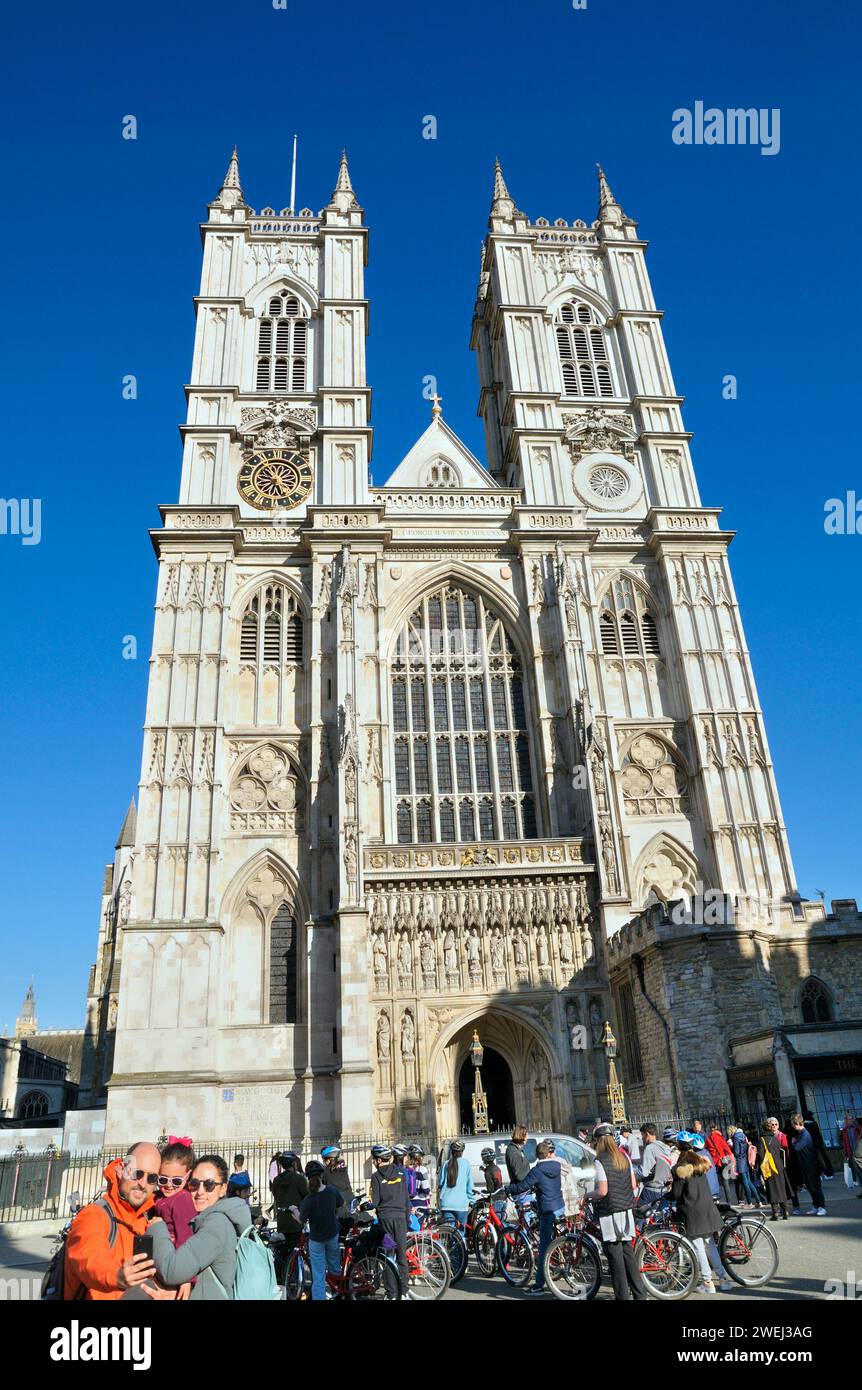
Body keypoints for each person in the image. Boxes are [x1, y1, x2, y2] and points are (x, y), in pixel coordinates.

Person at [64, 1143, 160, 1301]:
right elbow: (89, 1258)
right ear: (121, 1169)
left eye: (151, 1178)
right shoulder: (94, 1215)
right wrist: (117, 1275)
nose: (142, 1184)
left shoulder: (150, 1218)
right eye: (137, 1173)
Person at [150, 1154, 251, 1299]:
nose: (200, 1191)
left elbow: (172, 1271)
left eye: (209, 1185)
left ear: (223, 1188)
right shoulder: (203, 1219)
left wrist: (157, 1227)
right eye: (194, 1184)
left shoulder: (216, 1225)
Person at [586, 1123, 647, 1301]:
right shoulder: (623, 1156)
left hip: (610, 1212)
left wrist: (587, 1195)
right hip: (626, 1209)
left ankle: (622, 1296)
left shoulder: (600, 1160)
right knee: (628, 1255)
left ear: (599, 1141)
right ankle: (640, 1295)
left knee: (615, 1258)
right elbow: (634, 1185)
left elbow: (602, 1191)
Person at [670, 1139, 733, 1294]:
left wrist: (665, 1195)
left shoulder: (680, 1169)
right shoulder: (701, 1165)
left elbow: (676, 1193)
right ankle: (723, 1279)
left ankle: (707, 1282)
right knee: (710, 1245)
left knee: (698, 1246)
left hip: (693, 1212)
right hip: (708, 1209)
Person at [506, 1139, 565, 1297]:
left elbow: (523, 1186)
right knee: (552, 1237)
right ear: (548, 1153)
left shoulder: (537, 1170)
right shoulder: (556, 1166)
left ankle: (539, 1285)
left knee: (544, 1248)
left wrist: (509, 1188)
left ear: (537, 1155)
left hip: (547, 1209)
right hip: (560, 1207)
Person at [299, 1160, 344, 1301]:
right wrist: (334, 1215)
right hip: (332, 1235)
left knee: (318, 1276)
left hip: (316, 1240)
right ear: (322, 1174)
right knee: (335, 1268)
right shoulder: (332, 1191)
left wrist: (294, 1211)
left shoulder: (309, 1199)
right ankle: (339, 1294)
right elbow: (342, 1205)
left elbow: (301, 1219)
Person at [370, 1144, 411, 1296]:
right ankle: (404, 1291)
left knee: (388, 1256)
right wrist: (406, 1219)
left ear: (379, 1160)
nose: (373, 1162)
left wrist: (364, 1207)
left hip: (385, 1220)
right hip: (401, 1219)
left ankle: (392, 1292)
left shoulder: (376, 1176)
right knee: (402, 1256)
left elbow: (375, 1201)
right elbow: (406, 1198)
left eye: (374, 1159)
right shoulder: (401, 1173)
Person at [269, 1151, 308, 1251]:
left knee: (283, 1251)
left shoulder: (277, 1180)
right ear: (294, 1163)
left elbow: (275, 1195)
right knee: (295, 1252)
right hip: (296, 1219)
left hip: (282, 1220)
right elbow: (307, 1195)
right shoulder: (299, 1178)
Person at [788, 1115, 826, 1214]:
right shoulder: (801, 1133)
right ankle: (816, 1205)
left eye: (792, 1124)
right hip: (805, 1164)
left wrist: (793, 1143)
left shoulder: (805, 1134)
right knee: (810, 1186)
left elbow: (797, 1147)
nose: (792, 1126)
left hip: (811, 1164)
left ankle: (822, 1207)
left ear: (796, 1123)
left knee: (815, 1186)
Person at [757, 1121, 790, 1220]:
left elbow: (761, 1155)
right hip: (779, 1166)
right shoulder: (775, 1138)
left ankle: (775, 1213)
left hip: (769, 1167)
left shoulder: (762, 1140)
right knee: (781, 1188)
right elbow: (782, 1151)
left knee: (772, 1189)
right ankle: (785, 1211)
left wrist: (760, 1169)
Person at [438, 1139, 474, 1228]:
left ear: (452, 1151)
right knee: (460, 1233)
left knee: (450, 1232)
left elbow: (441, 1183)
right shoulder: (466, 1163)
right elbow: (470, 1186)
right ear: (462, 1152)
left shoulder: (446, 1164)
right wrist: (471, 1200)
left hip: (446, 1204)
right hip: (461, 1205)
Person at [636, 1124, 675, 1205]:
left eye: (642, 1135)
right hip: (664, 1188)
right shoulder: (664, 1147)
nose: (642, 1138)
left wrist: (633, 1174)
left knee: (637, 1213)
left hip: (652, 1189)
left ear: (647, 1134)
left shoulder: (650, 1148)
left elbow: (643, 1172)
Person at [728, 1124, 761, 1207]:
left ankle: (749, 1202)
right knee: (749, 1182)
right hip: (745, 1160)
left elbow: (736, 1152)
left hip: (740, 1161)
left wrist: (731, 1146)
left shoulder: (735, 1137)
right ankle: (758, 1201)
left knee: (745, 1183)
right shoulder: (743, 1135)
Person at [320, 1144, 356, 1213]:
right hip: (351, 1200)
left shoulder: (325, 1172)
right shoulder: (343, 1169)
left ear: (329, 1159)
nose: (324, 1162)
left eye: (325, 1159)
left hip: (338, 1205)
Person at [705, 1127, 736, 1205]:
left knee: (715, 1180)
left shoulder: (708, 1139)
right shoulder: (719, 1137)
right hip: (724, 1160)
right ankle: (729, 1202)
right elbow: (726, 1148)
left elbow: (707, 1150)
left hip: (715, 1162)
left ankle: (716, 1199)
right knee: (726, 1182)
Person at [802, 1110, 833, 1178]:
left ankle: (819, 1173)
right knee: (822, 1159)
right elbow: (818, 1134)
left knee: (815, 1160)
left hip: (810, 1145)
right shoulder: (813, 1123)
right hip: (818, 1145)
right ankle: (827, 1172)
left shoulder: (804, 1125)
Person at [407, 1144, 432, 1216]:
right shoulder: (422, 1169)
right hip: (420, 1204)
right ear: (418, 1157)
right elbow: (426, 1189)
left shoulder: (405, 1169)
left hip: (409, 1204)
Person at [840, 1113, 862, 1190]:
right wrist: (846, 1155)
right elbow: (845, 1143)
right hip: (851, 1154)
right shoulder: (845, 1130)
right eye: (848, 1119)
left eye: (851, 1119)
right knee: (858, 1172)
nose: (850, 1121)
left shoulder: (858, 1128)